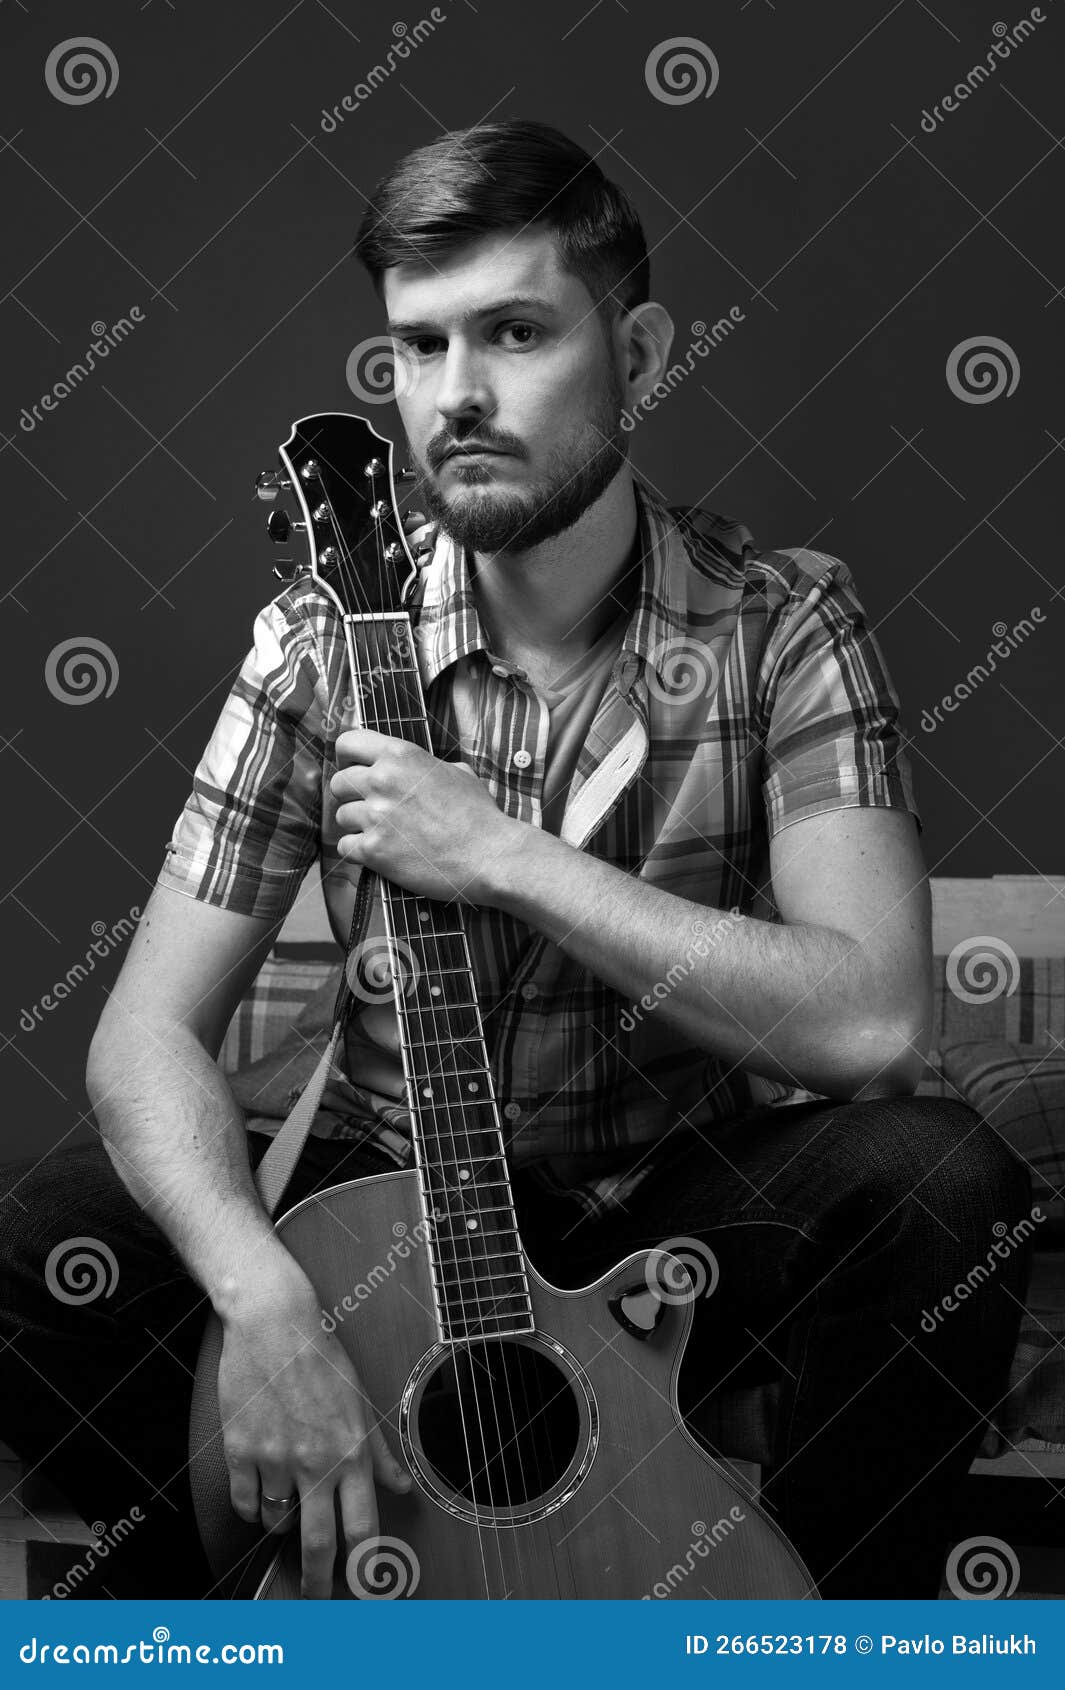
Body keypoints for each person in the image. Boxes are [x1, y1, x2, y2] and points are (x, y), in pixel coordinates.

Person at [0, 120, 1031, 1601]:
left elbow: (869, 1024)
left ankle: (814, 1634)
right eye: (417, 347)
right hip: (384, 1204)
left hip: (671, 1202)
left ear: (642, 348)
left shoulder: (784, 624)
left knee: (938, 1182)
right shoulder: (322, 642)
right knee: (43, 1243)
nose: (456, 396)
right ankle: (237, 1629)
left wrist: (499, 852)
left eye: (516, 332)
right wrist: (268, 1296)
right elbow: (144, 1033)